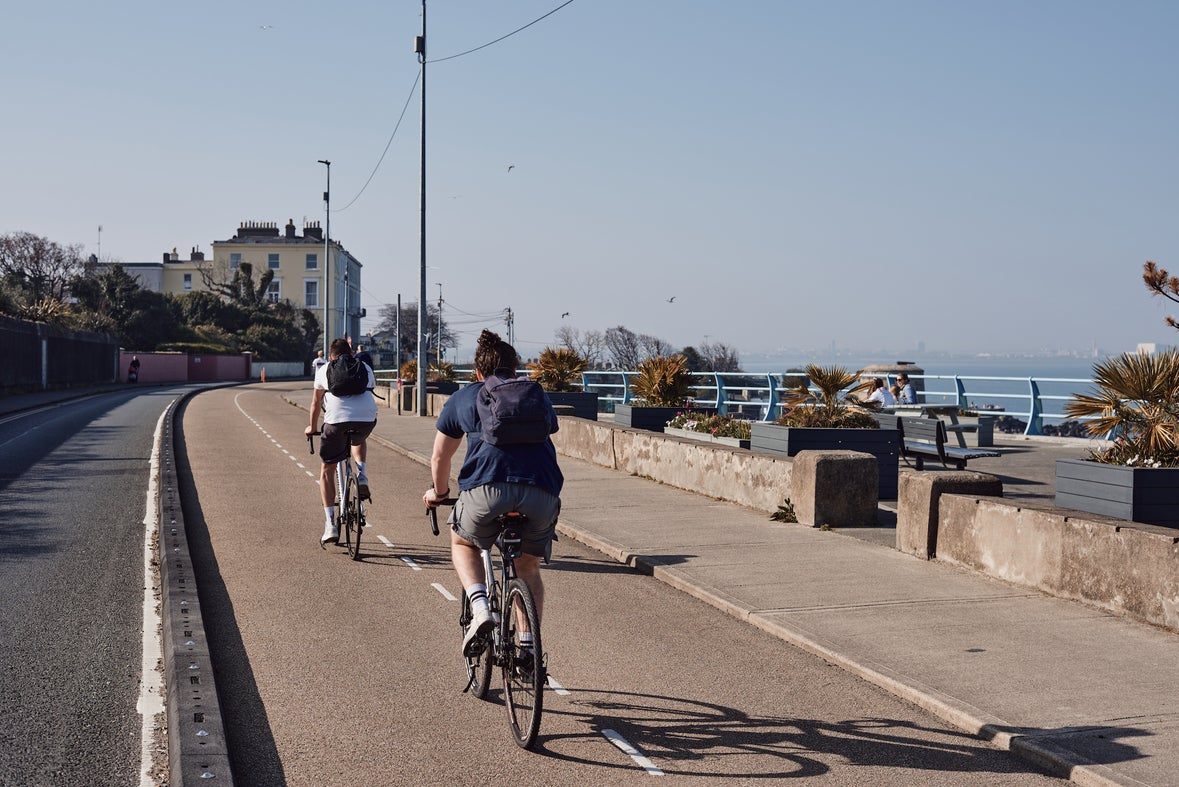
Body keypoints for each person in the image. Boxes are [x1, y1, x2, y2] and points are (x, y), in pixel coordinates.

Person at [424, 329, 562, 657]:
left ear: (478, 373)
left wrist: (440, 493)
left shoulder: (464, 398)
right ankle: (528, 649)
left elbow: (440, 457)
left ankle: (481, 608)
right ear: (515, 372)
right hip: (542, 491)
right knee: (528, 567)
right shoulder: (536, 396)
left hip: (487, 491)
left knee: (463, 542)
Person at [305, 338, 377, 546]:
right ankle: (361, 475)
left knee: (327, 469)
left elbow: (315, 402)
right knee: (358, 439)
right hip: (366, 419)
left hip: (336, 422)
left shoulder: (324, 369)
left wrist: (312, 428)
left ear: (331, 356)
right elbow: (369, 389)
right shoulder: (363, 367)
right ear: (352, 353)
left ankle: (330, 524)